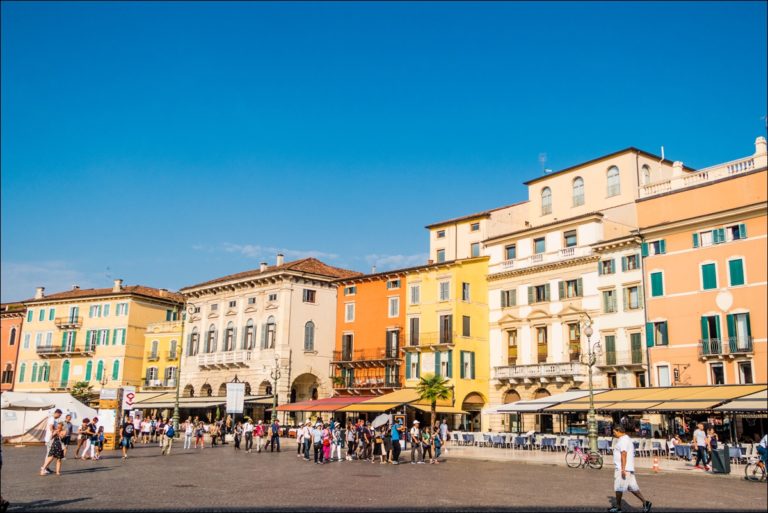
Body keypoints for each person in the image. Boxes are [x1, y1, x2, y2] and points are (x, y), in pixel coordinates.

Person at [609, 424, 652, 513]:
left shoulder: (623, 440)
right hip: (628, 468)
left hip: (623, 468)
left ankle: (618, 508)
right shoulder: (626, 439)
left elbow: (623, 454)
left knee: (618, 488)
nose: (614, 434)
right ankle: (645, 502)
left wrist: (623, 469)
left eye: (614, 432)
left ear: (619, 431)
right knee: (632, 487)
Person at [41, 410, 63, 475]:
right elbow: (51, 427)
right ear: (56, 413)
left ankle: (46, 468)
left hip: (51, 438)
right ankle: (44, 468)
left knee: (50, 455)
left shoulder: (53, 419)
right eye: (59, 415)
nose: (59, 416)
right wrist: (54, 432)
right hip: (50, 439)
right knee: (49, 455)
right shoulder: (52, 419)